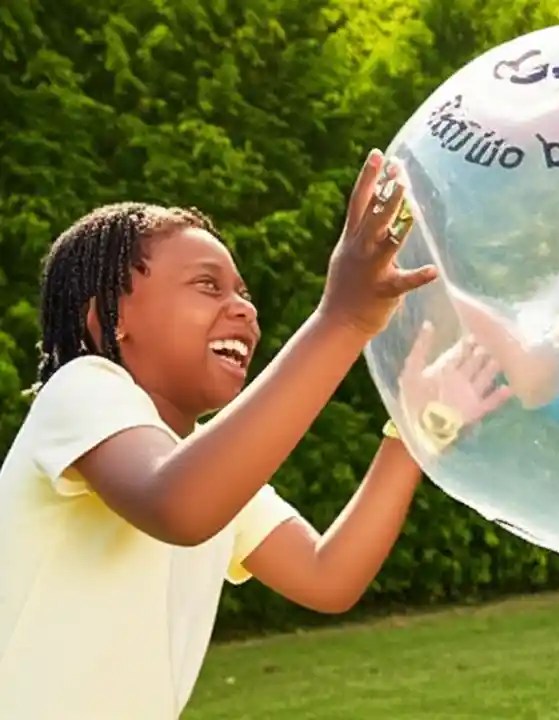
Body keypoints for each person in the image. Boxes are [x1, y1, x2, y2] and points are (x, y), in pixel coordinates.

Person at [0, 150, 506, 718]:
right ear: (109, 319)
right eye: (207, 285)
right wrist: (343, 319)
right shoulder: (81, 389)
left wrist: (414, 425)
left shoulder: (203, 469)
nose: (242, 307)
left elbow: (328, 574)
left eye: (241, 291)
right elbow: (179, 506)